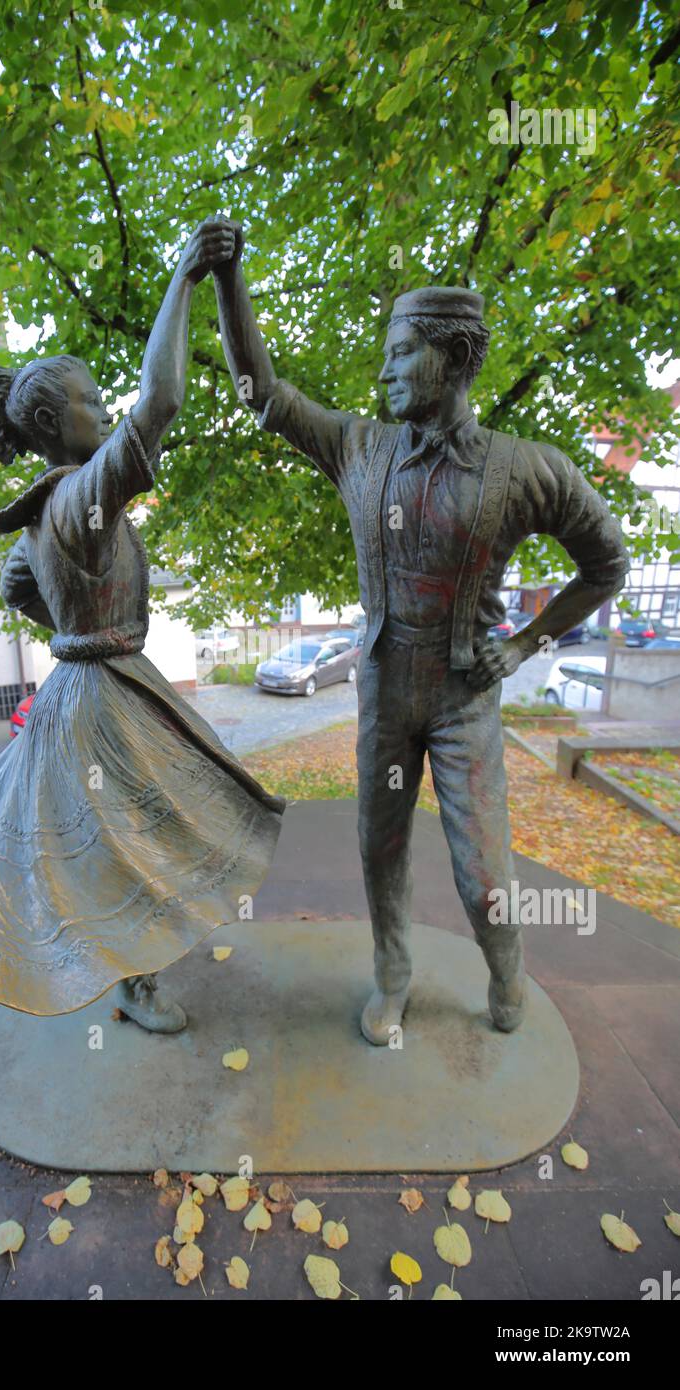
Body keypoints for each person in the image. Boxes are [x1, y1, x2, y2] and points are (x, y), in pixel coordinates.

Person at [0, 220, 284, 1031]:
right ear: (53, 424)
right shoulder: (83, 498)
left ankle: (128, 977)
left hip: (90, 685)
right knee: (135, 841)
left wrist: (71, 620)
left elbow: (21, 586)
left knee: (124, 839)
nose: (106, 409)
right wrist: (183, 278)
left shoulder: (49, 513)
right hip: (103, 700)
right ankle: (136, 983)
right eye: (92, 401)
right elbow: (161, 401)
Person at [212, 225, 628, 1044]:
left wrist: (526, 643)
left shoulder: (525, 468)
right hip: (384, 691)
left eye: (401, 353)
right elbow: (260, 390)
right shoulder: (359, 450)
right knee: (380, 847)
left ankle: (507, 973)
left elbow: (605, 565)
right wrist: (230, 279)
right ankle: (392, 977)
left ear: (452, 358)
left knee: (482, 874)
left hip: (463, 696)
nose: (384, 370)